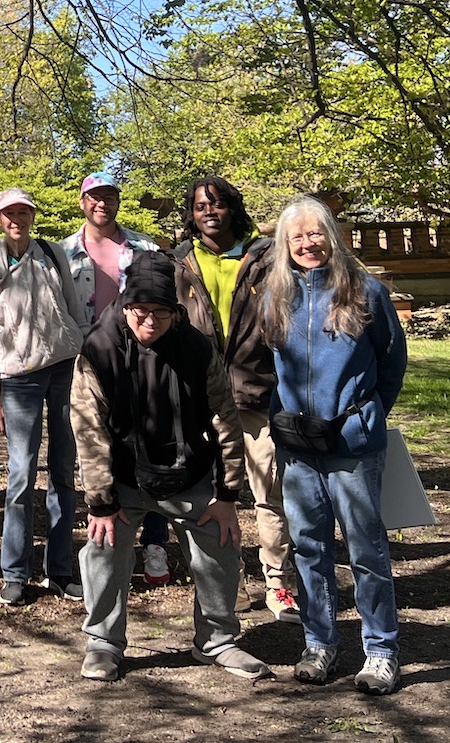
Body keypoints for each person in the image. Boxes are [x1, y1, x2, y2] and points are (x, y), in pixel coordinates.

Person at [72, 250, 268, 684]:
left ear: (175, 312)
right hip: (123, 474)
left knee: (221, 539)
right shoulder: (99, 348)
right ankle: (104, 642)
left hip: (189, 470)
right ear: (126, 306)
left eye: (161, 312)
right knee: (103, 545)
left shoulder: (197, 349)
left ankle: (216, 639)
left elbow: (225, 418)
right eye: (141, 311)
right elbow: (88, 427)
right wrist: (101, 501)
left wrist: (227, 494)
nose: (149, 321)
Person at [262, 197, 408, 695]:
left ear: (332, 235)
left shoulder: (366, 291)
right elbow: (264, 369)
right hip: (299, 447)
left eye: (315, 233)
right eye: (296, 236)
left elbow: (391, 363)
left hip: (352, 445)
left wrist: (367, 415)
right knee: (309, 548)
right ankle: (319, 643)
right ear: (285, 244)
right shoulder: (275, 297)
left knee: (366, 549)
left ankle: (381, 650)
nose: (307, 243)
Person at [173, 175, 299, 622]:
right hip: (201, 401)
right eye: (200, 205)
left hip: (258, 395)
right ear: (191, 214)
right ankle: (229, 584)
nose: (209, 211)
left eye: (218, 203)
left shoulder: (266, 257)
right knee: (212, 498)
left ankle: (279, 584)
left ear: (232, 208)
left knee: (269, 493)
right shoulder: (180, 262)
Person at [0, 187, 87, 606]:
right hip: (18, 378)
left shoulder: (52, 253)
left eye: (23, 212)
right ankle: (14, 573)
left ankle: (59, 569)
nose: (16, 219)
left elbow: (75, 311)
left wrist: (82, 359)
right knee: (21, 475)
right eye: (9, 213)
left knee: (63, 471)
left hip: (63, 369)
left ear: (32, 216)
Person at [61, 172, 173, 588]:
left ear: (118, 201)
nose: (101, 204)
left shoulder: (143, 248)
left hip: (144, 362)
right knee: (97, 448)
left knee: (154, 445)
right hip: (90, 362)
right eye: (94, 197)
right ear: (82, 201)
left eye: (109, 196)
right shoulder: (64, 253)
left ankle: (156, 542)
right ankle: (110, 539)